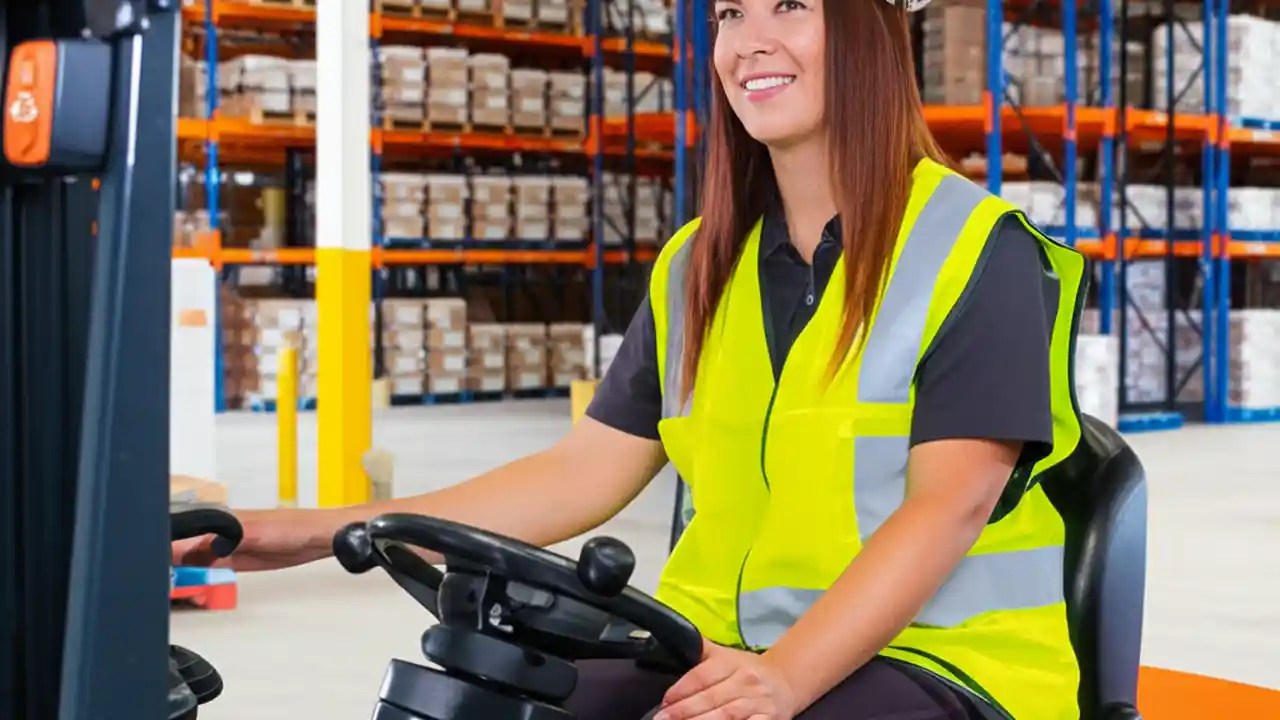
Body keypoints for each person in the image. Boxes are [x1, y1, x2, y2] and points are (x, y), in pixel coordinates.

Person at [174, 1, 1090, 718]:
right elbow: (579, 473)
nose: (749, 43)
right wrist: (305, 531)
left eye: (790, 7)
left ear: (872, 32)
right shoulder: (700, 264)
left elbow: (949, 504)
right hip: (716, 649)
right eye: (730, 15)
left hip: (941, 661)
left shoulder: (977, 249)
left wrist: (781, 681)